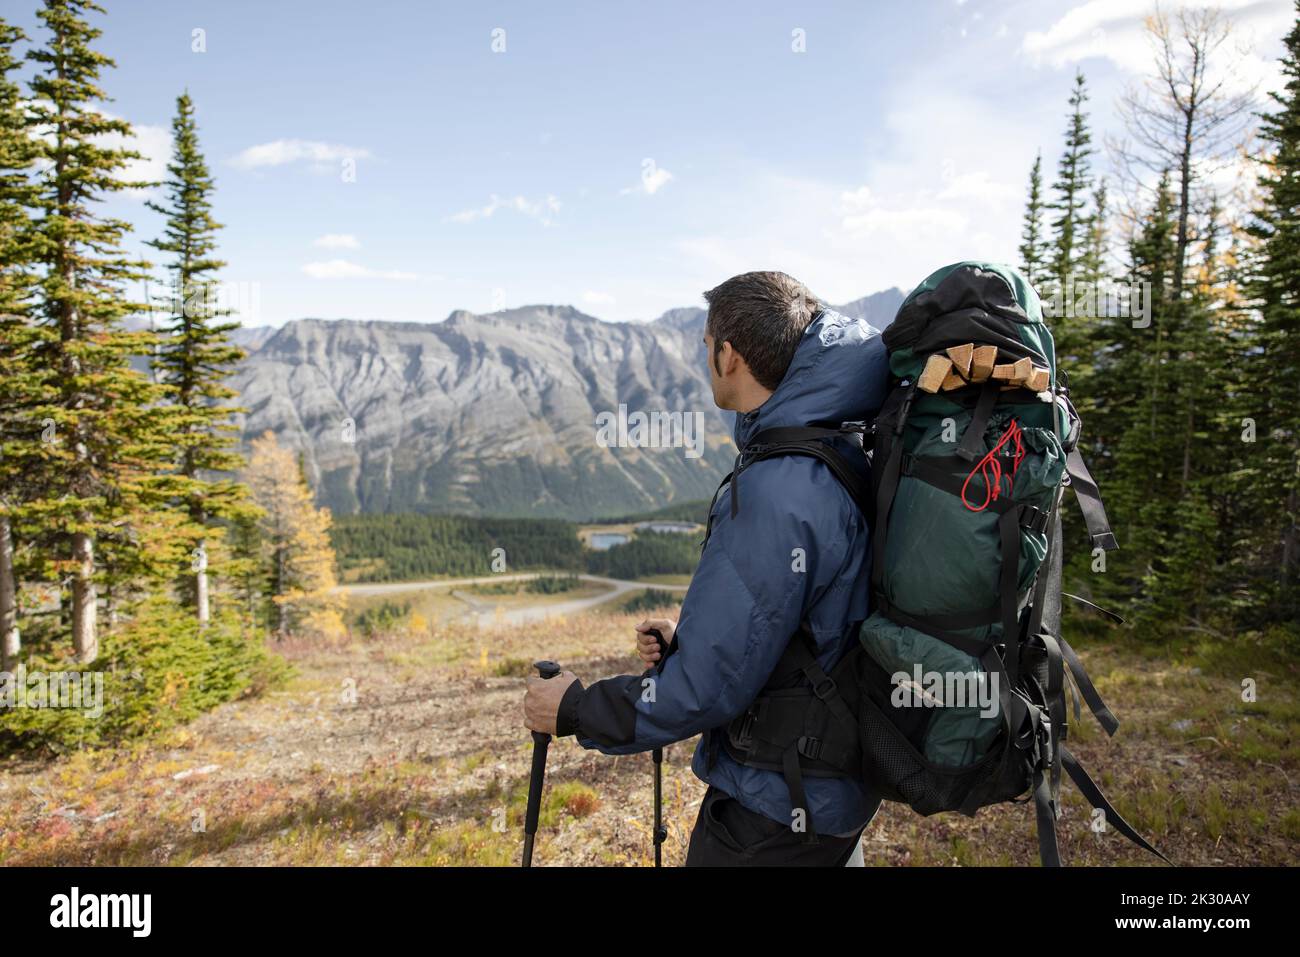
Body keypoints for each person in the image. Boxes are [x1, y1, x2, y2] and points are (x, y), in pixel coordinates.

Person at [523, 271, 890, 865]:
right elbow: (807, 624)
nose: (704, 358)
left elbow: (704, 690)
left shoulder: (779, 488)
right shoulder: (831, 448)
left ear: (729, 355)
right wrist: (692, 642)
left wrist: (575, 708)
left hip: (772, 810)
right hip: (828, 787)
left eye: (705, 345)